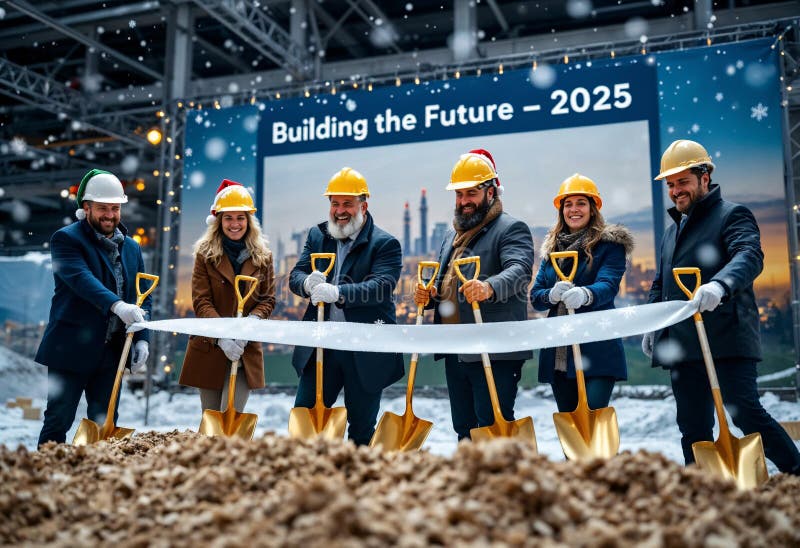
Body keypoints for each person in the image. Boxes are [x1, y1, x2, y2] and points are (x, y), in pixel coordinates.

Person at [642, 139, 800, 475]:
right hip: (684, 346)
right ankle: (701, 490)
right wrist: (653, 322)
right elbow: (662, 283)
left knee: (746, 413)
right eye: (670, 184)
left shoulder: (733, 215)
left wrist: (720, 284)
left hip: (726, 338)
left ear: (705, 177)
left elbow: (749, 255)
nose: (675, 191)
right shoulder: (673, 232)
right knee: (692, 425)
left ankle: (796, 470)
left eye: (682, 181)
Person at [415, 149, 534, 441]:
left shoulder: (510, 228)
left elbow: (519, 270)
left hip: (493, 350)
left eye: (471, 193)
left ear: (491, 192)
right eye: (459, 195)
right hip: (456, 349)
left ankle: (501, 485)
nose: (464, 201)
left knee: (492, 428)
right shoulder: (451, 236)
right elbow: (447, 286)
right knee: (464, 430)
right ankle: (470, 483)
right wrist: (429, 296)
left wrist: (489, 286)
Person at [36, 169, 152, 446]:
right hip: (70, 349)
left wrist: (143, 339)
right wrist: (116, 305)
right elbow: (80, 279)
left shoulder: (132, 248)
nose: (110, 215)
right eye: (102, 208)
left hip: (112, 351)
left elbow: (143, 296)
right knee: (58, 421)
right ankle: (43, 477)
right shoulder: (66, 239)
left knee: (104, 423)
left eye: (115, 208)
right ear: (86, 207)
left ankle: (94, 481)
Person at [289, 167, 403, 445]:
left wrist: (338, 292)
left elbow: (381, 287)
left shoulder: (385, 244)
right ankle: (307, 480)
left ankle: (357, 482)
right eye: (335, 203)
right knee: (305, 418)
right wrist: (308, 284)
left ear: (363, 205)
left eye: (347, 204)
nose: (340, 210)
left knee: (362, 427)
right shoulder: (318, 236)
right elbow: (295, 275)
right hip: (322, 346)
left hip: (363, 348)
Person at [530, 174, 633, 412]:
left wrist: (586, 294)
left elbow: (608, 285)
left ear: (593, 208)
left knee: (594, 424)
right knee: (571, 430)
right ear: (561, 210)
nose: (574, 210)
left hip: (597, 347)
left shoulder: (610, 246)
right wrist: (551, 295)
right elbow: (536, 296)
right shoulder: (552, 249)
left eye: (581, 203)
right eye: (568, 204)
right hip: (560, 353)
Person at [178, 180, 275, 413]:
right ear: (219, 221)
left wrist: (252, 323)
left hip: (244, 348)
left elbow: (268, 299)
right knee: (211, 423)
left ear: (248, 221)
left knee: (231, 418)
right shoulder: (205, 254)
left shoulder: (263, 256)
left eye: (240, 218)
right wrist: (222, 337)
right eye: (228, 218)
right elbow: (202, 301)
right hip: (211, 347)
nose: (235, 224)